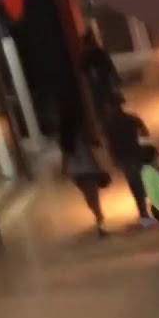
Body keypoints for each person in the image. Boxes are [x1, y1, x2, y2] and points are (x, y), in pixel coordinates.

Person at [59, 98, 108, 237]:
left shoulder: (65, 137)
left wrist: (63, 170)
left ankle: (98, 216)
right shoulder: (83, 131)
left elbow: (66, 154)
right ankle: (99, 218)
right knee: (93, 195)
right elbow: (97, 144)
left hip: (76, 170)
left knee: (88, 196)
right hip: (88, 166)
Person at [104, 97, 154, 226]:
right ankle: (145, 204)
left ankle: (142, 209)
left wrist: (113, 158)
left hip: (124, 157)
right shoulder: (132, 119)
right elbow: (145, 134)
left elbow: (109, 144)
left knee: (134, 183)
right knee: (141, 180)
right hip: (137, 153)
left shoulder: (109, 125)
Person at [81, 31, 121, 121]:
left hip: (98, 83)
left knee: (102, 104)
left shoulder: (88, 54)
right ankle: (114, 118)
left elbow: (82, 68)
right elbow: (110, 65)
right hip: (103, 81)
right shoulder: (98, 51)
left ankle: (108, 120)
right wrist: (116, 78)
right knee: (109, 101)